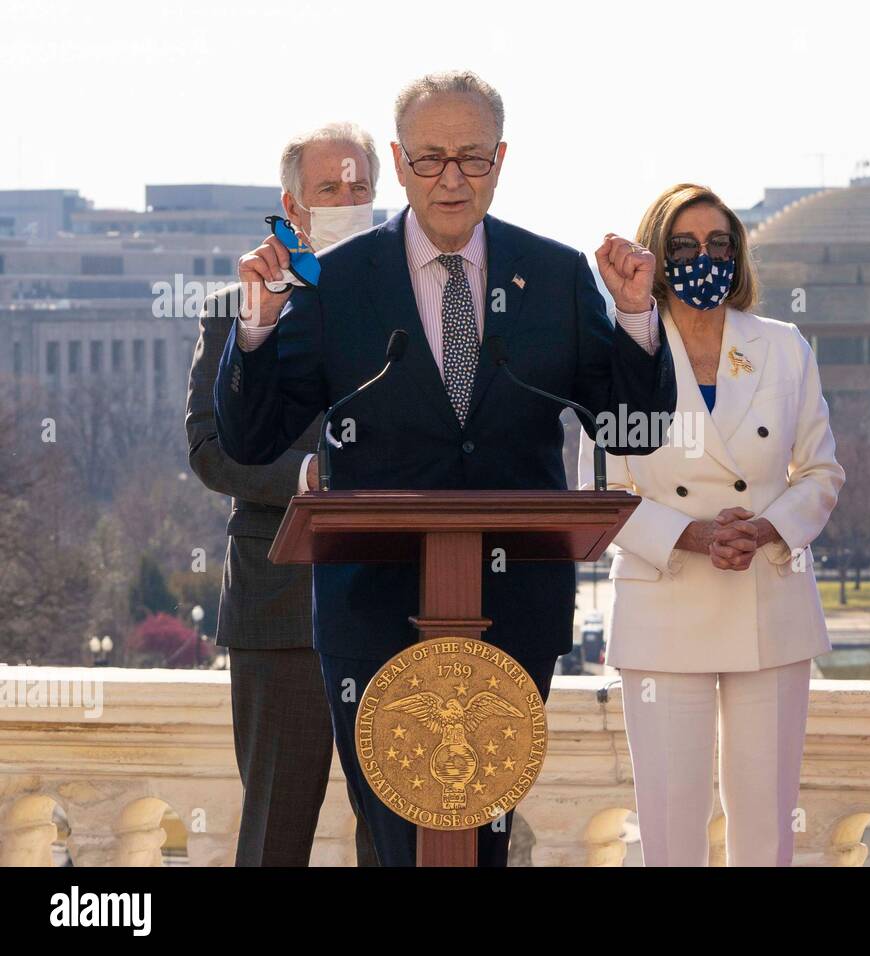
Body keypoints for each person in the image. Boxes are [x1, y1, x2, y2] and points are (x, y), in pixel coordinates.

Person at [213, 71, 677, 867]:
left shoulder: (559, 275)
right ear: (398, 161)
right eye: (430, 160)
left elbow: (632, 425)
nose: (451, 180)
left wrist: (636, 317)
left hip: (514, 603)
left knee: (481, 830)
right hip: (371, 609)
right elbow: (252, 439)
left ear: (501, 159)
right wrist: (254, 329)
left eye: (470, 157)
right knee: (398, 835)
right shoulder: (337, 281)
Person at [578, 184, 843, 865]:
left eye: (719, 244)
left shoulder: (783, 347)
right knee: (670, 829)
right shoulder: (616, 353)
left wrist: (764, 530)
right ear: (656, 257)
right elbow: (601, 495)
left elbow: (821, 474)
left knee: (766, 830)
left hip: (770, 604)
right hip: (664, 613)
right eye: (686, 246)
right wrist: (693, 535)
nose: (706, 257)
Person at [186, 122, 379, 866]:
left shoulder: (407, 304)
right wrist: (307, 480)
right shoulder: (235, 310)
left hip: (393, 606)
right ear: (291, 204)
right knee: (274, 837)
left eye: (360, 187)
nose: (346, 199)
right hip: (278, 611)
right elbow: (210, 451)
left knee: (397, 832)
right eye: (329, 188)